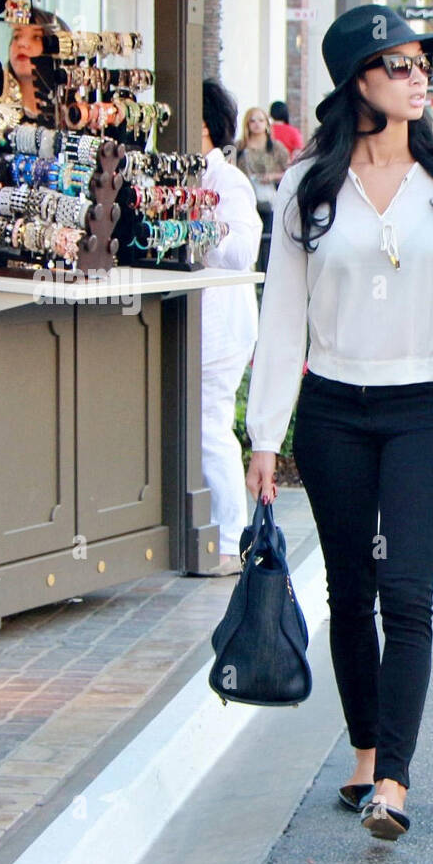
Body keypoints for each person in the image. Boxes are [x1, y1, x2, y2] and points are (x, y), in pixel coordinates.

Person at [245, 5, 433, 841]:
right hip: (333, 411)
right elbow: (283, 317)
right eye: (399, 64)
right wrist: (265, 435)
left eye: (426, 64)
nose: (419, 76)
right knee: (347, 592)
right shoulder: (309, 183)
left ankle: (394, 775)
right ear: (357, 80)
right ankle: (361, 750)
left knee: (405, 590)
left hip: (425, 408)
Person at [196, 80, 265, 576]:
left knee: (209, 424)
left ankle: (228, 538)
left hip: (220, 324)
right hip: (198, 321)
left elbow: (243, 250)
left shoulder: (228, 181)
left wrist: (197, 228)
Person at [235, 106, 291, 202]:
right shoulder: (239, 146)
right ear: (247, 124)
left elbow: (289, 171)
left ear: (267, 123)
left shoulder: (276, 146)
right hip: (243, 196)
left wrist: (272, 176)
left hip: (270, 197)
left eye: (261, 120)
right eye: (252, 121)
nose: (257, 124)